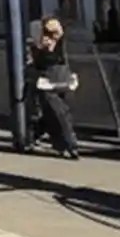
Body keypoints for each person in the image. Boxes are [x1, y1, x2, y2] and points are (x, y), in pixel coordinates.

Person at [27, 17, 79, 159]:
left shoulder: (61, 44)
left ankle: (31, 136)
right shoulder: (40, 45)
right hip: (49, 80)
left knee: (55, 112)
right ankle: (68, 144)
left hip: (59, 78)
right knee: (58, 113)